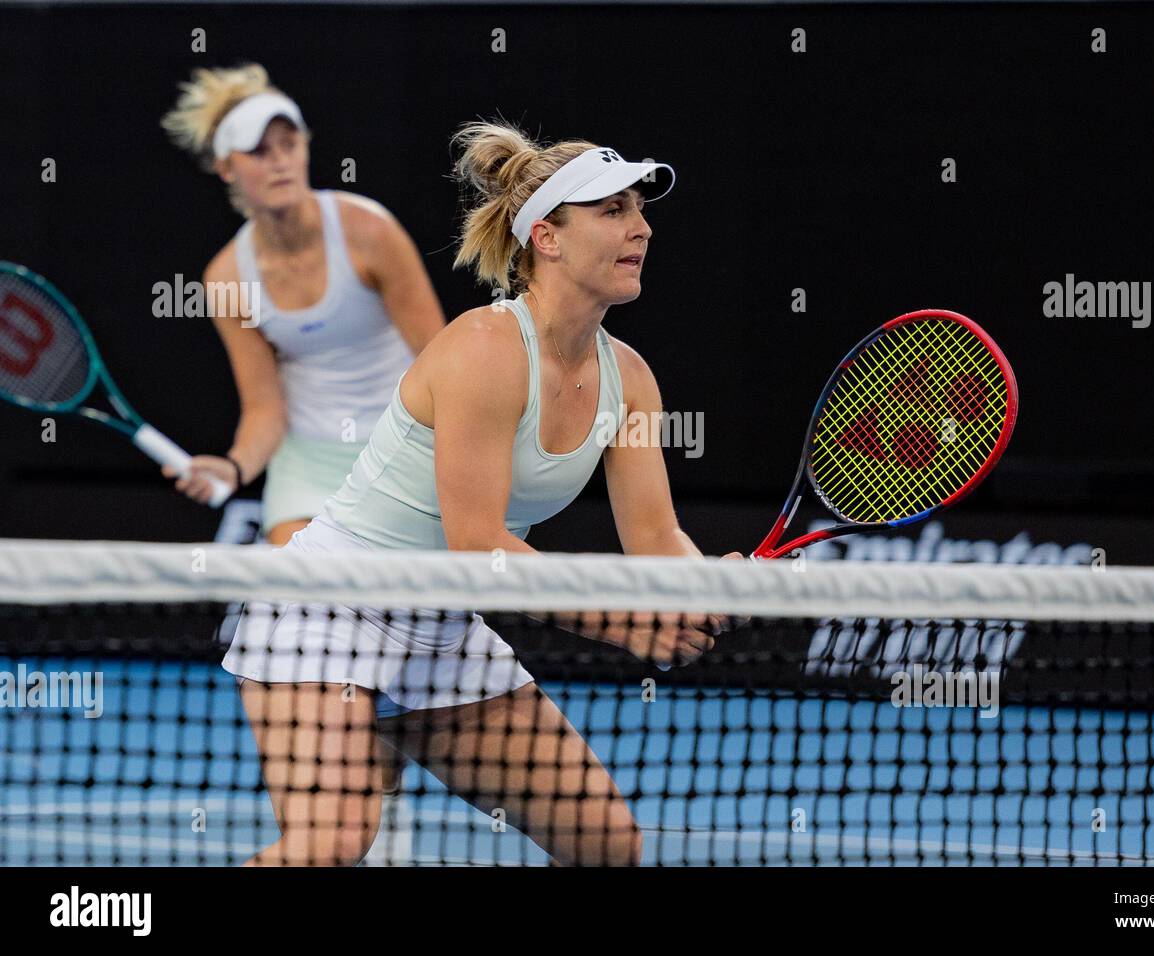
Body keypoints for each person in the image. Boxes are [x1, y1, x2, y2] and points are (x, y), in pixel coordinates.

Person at [222, 120, 741, 866]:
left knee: (608, 845)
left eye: (640, 208)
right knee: (329, 844)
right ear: (547, 239)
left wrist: (697, 586)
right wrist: (622, 621)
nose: (642, 228)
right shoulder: (484, 349)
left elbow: (657, 538)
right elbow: (476, 546)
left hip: (438, 633)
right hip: (325, 607)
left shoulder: (630, 381)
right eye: (614, 210)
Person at [159, 64, 444, 544]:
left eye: (289, 144)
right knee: (301, 593)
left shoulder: (370, 232)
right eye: (258, 151)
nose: (279, 162)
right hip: (308, 464)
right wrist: (234, 466)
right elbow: (265, 410)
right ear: (227, 166)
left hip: (404, 446)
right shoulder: (226, 277)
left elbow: (442, 361)